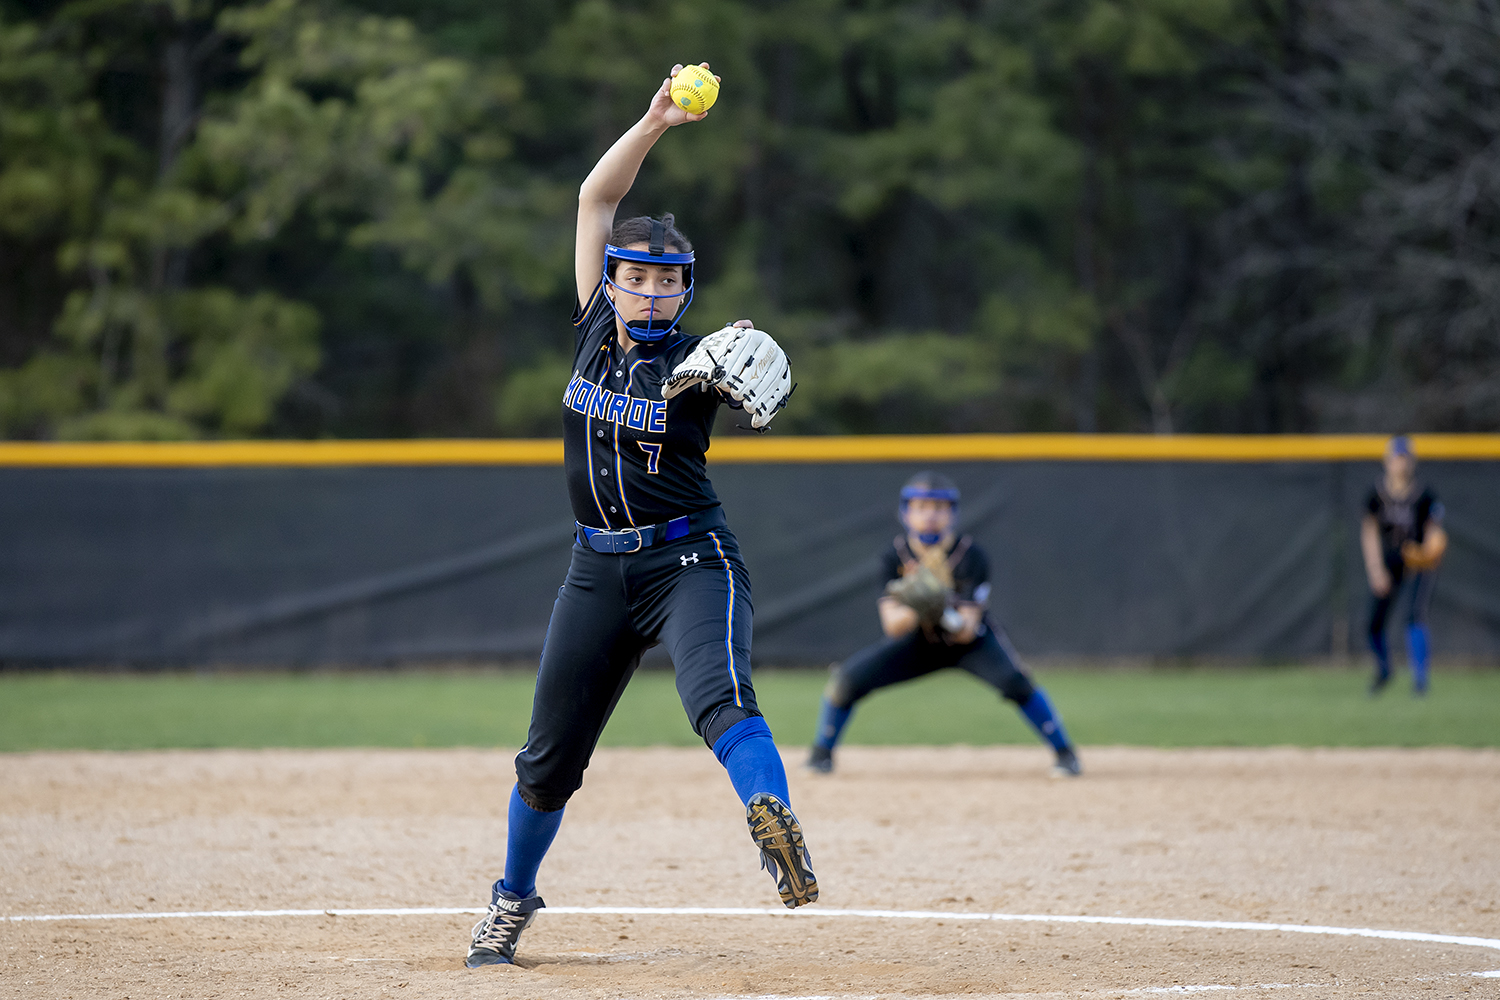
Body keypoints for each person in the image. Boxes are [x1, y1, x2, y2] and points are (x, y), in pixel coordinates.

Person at [464, 63, 814, 969]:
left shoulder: (698, 364)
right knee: (548, 759)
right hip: (596, 571)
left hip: (689, 561)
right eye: (636, 278)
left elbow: (735, 378)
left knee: (718, 697)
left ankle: (771, 817)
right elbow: (595, 195)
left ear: (686, 292)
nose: (650, 294)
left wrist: (733, 380)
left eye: (667, 282)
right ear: (610, 282)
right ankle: (512, 899)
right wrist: (656, 119)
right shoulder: (589, 327)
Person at [806, 472, 1082, 778]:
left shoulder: (970, 555)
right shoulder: (893, 556)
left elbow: (965, 629)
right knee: (847, 680)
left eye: (939, 507)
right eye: (921, 507)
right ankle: (821, 754)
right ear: (905, 512)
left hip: (969, 643)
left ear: (952, 513)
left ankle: (1065, 753)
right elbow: (893, 627)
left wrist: (938, 603)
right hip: (916, 642)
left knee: (1015, 682)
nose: (930, 515)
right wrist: (919, 603)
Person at [1361, 435, 1447, 696]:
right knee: (1374, 623)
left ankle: (1420, 682)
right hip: (1390, 562)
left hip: (1417, 562)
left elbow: (1436, 534)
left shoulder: (1425, 496)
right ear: (1387, 462)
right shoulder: (1376, 494)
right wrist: (1376, 570)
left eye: (1405, 458)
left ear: (1412, 462)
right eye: (1396, 458)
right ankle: (1384, 670)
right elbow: (1369, 533)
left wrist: (1429, 551)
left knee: (1414, 616)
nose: (1401, 464)